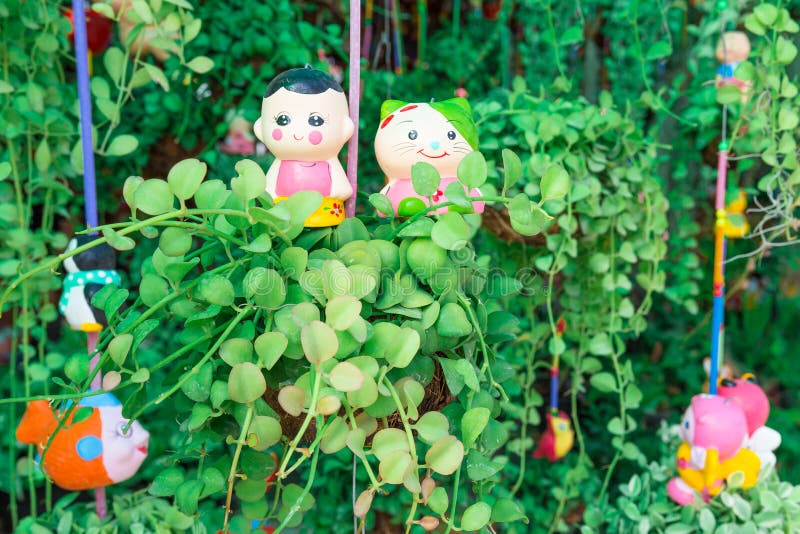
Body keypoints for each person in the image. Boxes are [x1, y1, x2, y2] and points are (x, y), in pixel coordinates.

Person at [253, 66, 354, 227]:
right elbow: (268, 191)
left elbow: (343, 189)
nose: (298, 133)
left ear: (345, 129)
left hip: (324, 210)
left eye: (316, 121)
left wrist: (339, 190)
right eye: (282, 120)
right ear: (260, 128)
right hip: (284, 212)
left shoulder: (329, 161)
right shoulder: (280, 162)